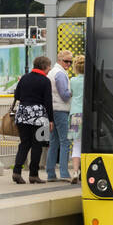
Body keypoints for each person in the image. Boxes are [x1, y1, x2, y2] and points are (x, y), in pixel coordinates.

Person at [11, 55, 54, 184]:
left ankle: (17, 171)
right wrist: (51, 120)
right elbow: (48, 102)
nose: (49, 68)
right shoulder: (45, 81)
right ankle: (33, 175)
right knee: (38, 145)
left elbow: (17, 95)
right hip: (40, 117)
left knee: (24, 144)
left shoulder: (24, 78)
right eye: (49, 66)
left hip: (23, 115)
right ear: (45, 67)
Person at [44, 49, 74, 181]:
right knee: (65, 141)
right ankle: (64, 172)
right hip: (61, 110)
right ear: (60, 60)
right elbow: (64, 95)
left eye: (70, 62)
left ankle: (50, 172)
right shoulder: (61, 74)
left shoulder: (52, 72)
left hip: (53, 109)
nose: (68, 64)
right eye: (66, 61)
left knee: (54, 142)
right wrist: (73, 91)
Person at [68, 54, 85, 182]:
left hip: (75, 114)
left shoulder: (73, 81)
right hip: (88, 114)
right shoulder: (91, 80)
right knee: (87, 144)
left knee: (77, 144)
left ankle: (75, 172)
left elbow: (70, 94)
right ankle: (84, 171)